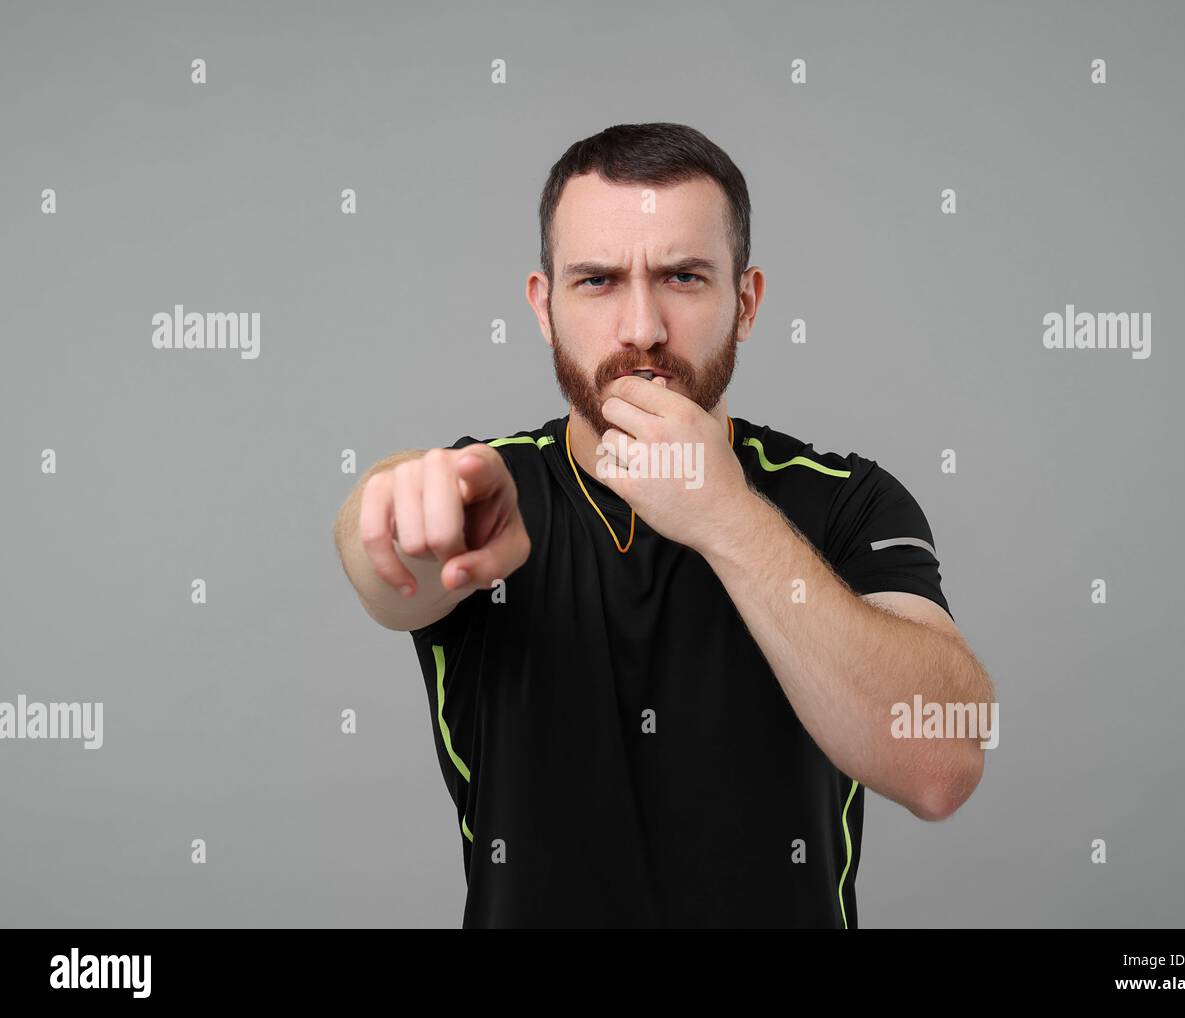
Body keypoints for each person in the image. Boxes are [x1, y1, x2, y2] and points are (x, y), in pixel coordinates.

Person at [333, 123, 994, 929]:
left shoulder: (846, 501)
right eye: (598, 281)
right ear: (543, 308)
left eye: (682, 276)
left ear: (745, 303)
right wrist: (398, 502)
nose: (641, 327)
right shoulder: (491, 494)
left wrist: (723, 515)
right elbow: (387, 560)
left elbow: (943, 763)